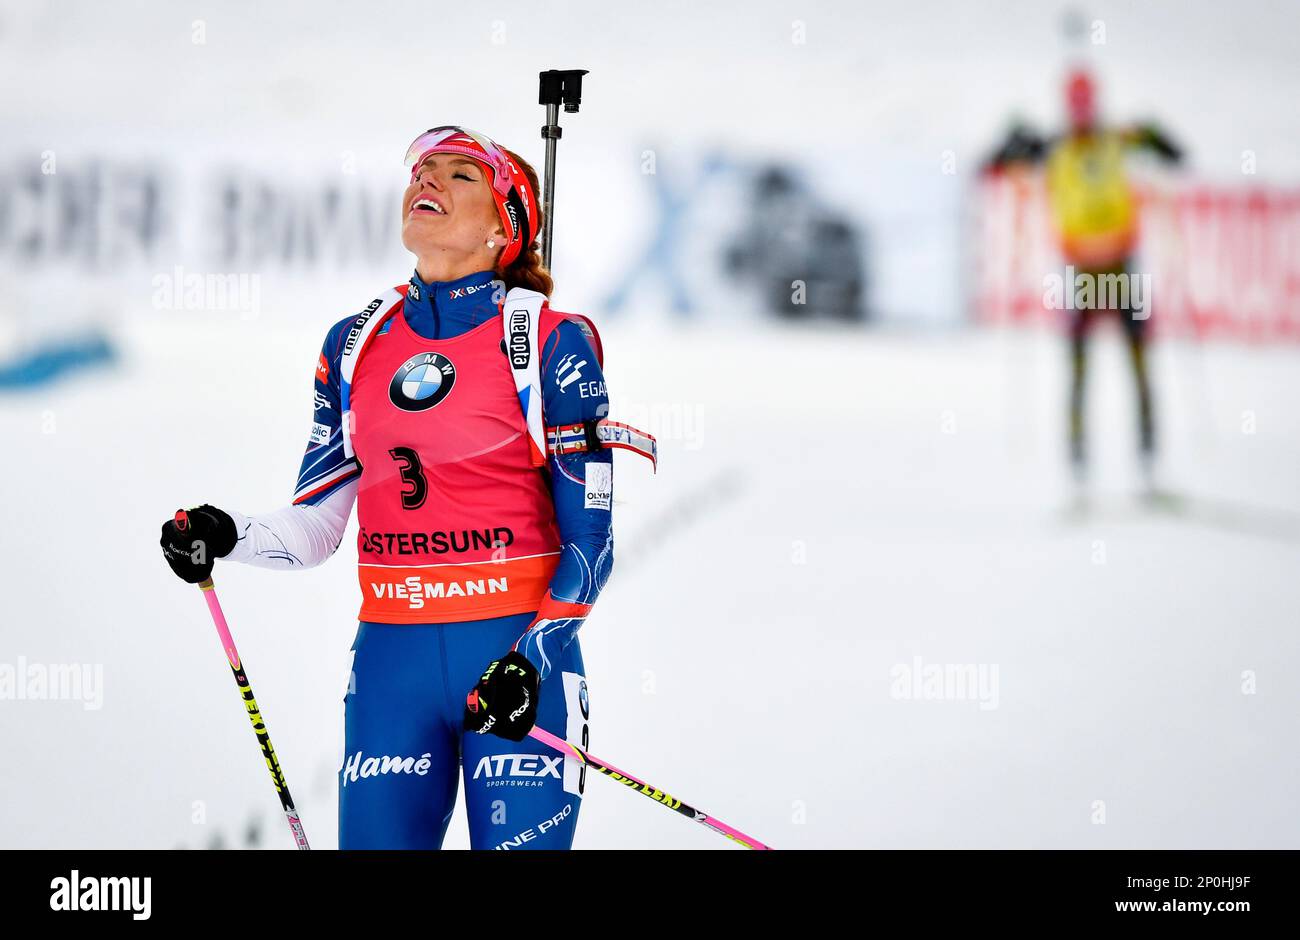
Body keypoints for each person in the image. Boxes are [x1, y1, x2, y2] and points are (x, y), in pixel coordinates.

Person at [159, 126, 654, 849]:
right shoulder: (355, 342)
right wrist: (224, 531)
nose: (429, 182)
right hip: (393, 665)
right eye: (422, 171)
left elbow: (592, 542)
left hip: (515, 667)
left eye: (459, 176)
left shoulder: (550, 341)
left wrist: (534, 660)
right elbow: (316, 528)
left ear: (503, 227)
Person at [984, 68, 1182, 490]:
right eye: (1077, 105)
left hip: (1121, 267)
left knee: (1140, 364)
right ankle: (1079, 468)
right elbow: (994, 165)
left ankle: (1148, 463)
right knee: (1078, 369)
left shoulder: (1116, 139)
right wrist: (1010, 140)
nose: (1083, 114)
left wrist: (1156, 136)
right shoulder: (1055, 147)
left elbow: (1172, 152)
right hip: (1080, 273)